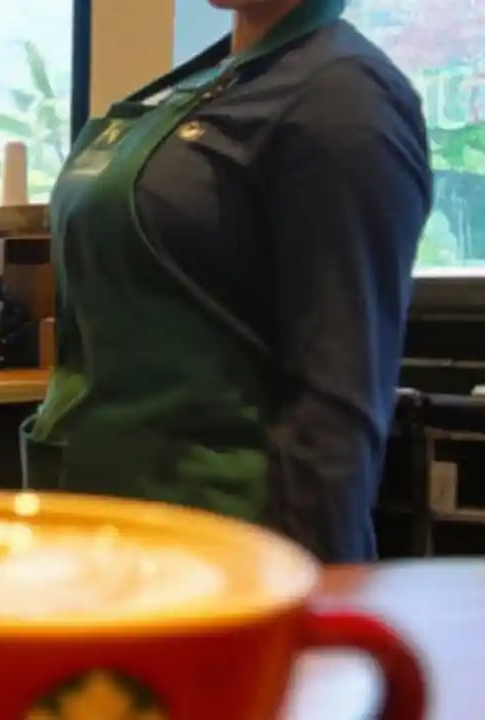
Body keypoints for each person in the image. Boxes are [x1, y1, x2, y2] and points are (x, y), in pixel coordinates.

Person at [24, 0, 432, 563]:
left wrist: (305, 618)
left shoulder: (346, 101)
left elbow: (338, 399)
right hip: (101, 533)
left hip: (220, 549)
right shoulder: (202, 84)